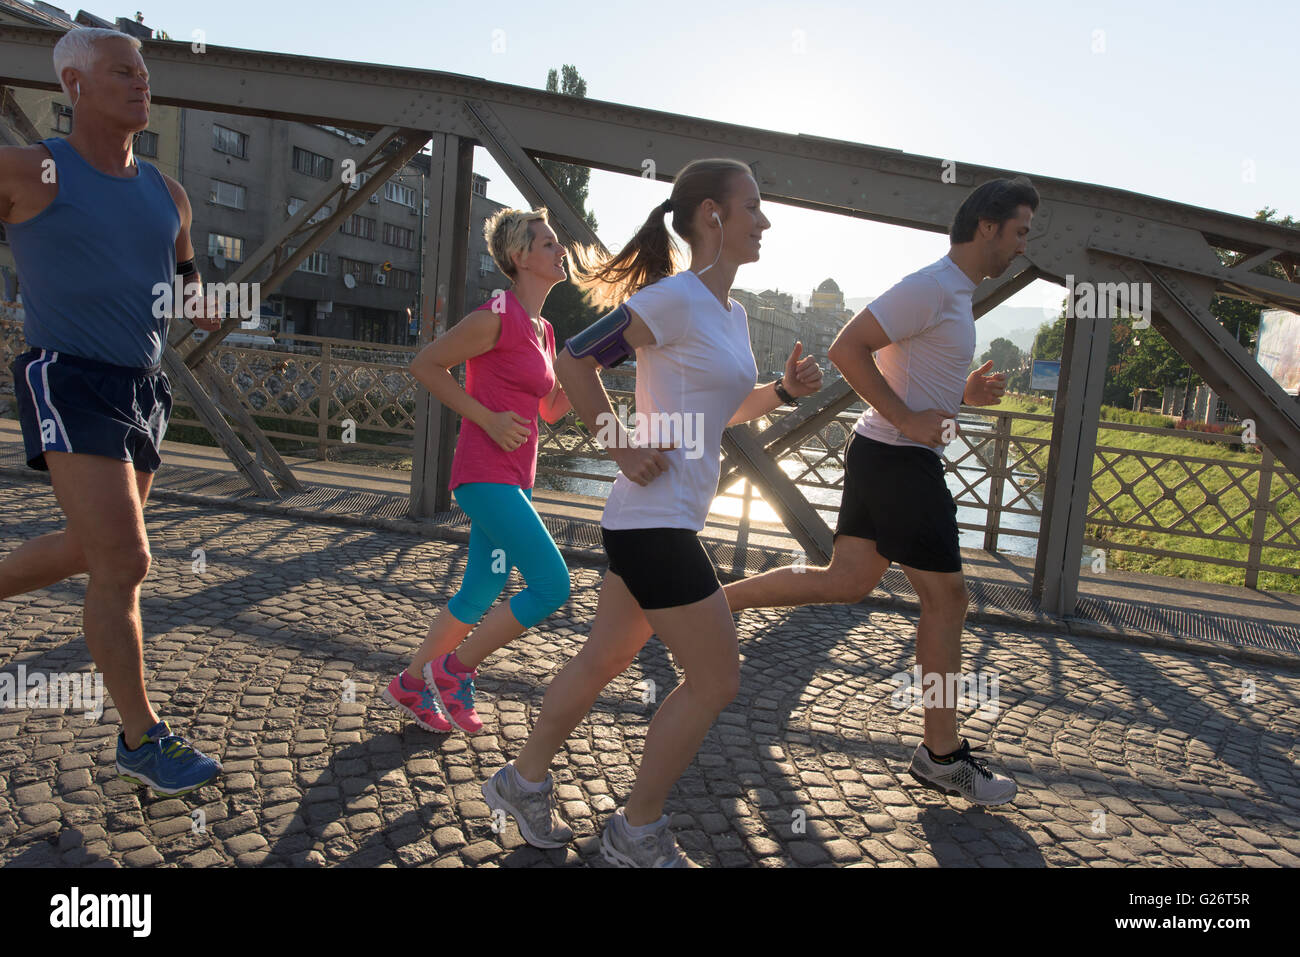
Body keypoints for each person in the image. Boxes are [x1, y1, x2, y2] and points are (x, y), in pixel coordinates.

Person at [481, 158, 823, 867]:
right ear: (712, 217)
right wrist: (619, 447)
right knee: (717, 679)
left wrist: (783, 392)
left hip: (657, 518)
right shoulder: (674, 299)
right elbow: (577, 360)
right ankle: (635, 831)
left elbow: (727, 409)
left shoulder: (727, 312)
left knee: (606, 654)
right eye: (753, 206)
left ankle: (523, 780)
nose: (766, 221)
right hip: (654, 520)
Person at [724, 177, 1040, 806]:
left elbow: (912, 381)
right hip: (897, 459)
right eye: (1021, 232)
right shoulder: (933, 286)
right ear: (987, 227)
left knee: (846, 580)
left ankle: (708, 604)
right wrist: (904, 418)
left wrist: (962, 398)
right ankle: (942, 755)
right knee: (948, 599)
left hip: (883, 454)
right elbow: (847, 347)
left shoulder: (953, 294)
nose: (1024, 247)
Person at [0, 28, 222, 795]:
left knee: (97, 552)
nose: (141, 83)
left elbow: (188, 284)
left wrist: (209, 307)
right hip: (68, 376)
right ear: (73, 83)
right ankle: (141, 737)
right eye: (121, 72)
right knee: (126, 559)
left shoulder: (169, 193)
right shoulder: (32, 171)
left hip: (142, 388)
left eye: (144, 72)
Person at [382, 208, 572, 734]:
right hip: (485, 473)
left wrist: (587, 367)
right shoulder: (496, 314)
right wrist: (486, 417)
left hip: (517, 477)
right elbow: (425, 364)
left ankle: (410, 684)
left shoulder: (545, 330)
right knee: (552, 584)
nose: (562, 251)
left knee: (482, 588)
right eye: (550, 243)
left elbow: (550, 409)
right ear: (520, 257)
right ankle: (454, 670)